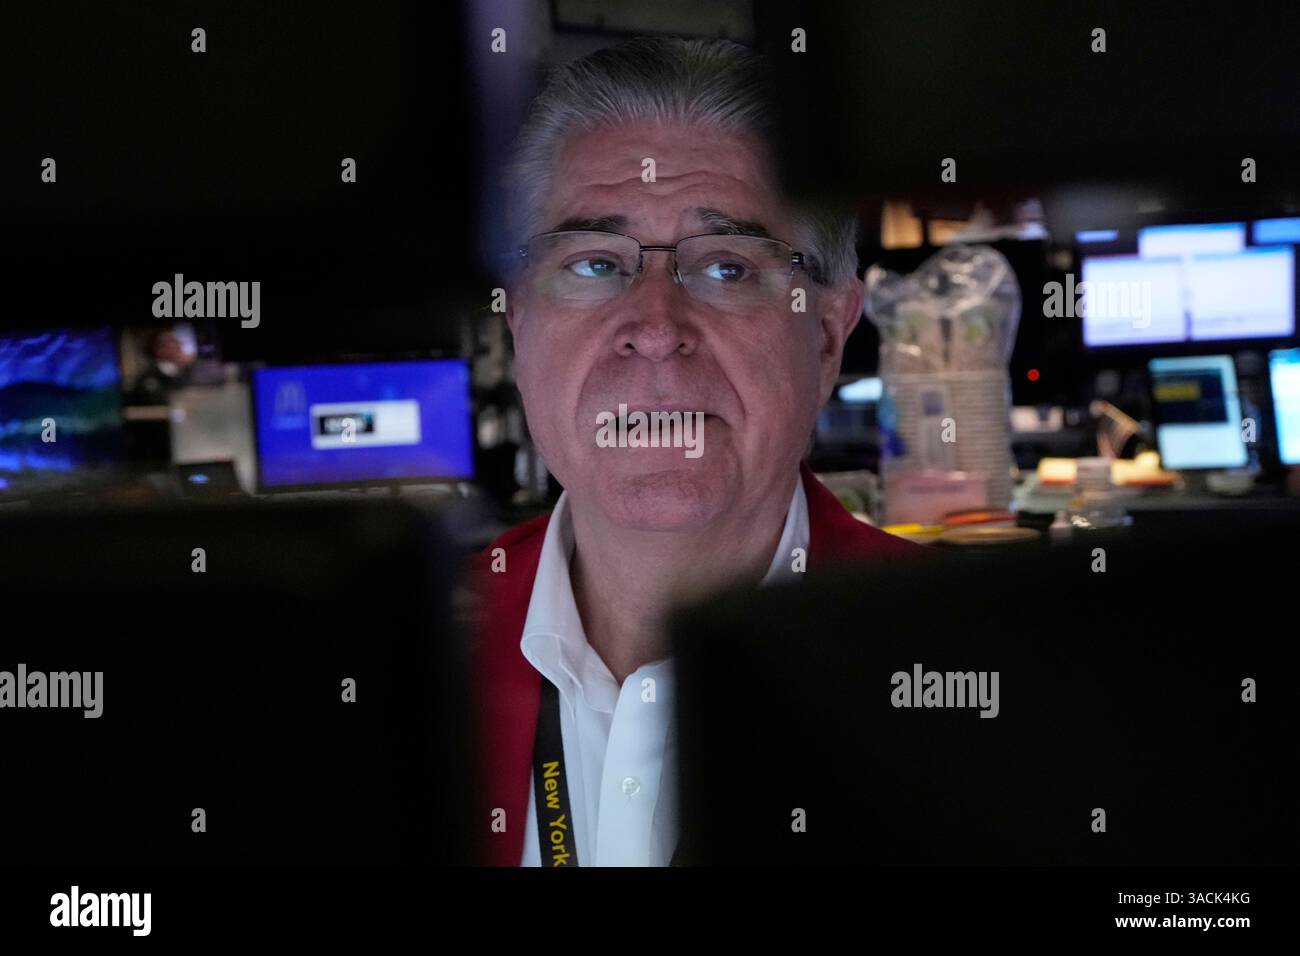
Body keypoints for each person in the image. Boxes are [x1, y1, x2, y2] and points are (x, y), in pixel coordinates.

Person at [468, 35, 926, 867]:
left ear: (827, 338)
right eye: (595, 263)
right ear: (519, 323)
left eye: (725, 268)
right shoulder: (394, 661)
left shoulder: (963, 659)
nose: (654, 330)